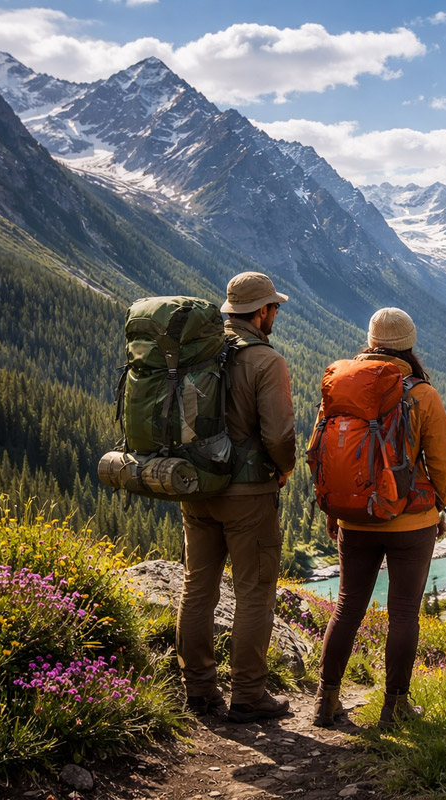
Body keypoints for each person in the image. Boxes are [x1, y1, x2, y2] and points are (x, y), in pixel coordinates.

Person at [311, 308, 446, 729]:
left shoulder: (341, 385)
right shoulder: (422, 393)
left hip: (354, 517)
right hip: (411, 522)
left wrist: (336, 507)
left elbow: (323, 451)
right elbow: (442, 461)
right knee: (404, 613)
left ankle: (325, 702)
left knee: (347, 608)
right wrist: (436, 505)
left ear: (370, 340)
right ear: (409, 344)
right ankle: (395, 709)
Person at [177, 271, 296, 723]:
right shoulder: (266, 360)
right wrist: (284, 469)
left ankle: (199, 690)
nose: (276, 313)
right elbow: (278, 435)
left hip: (196, 487)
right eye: (274, 307)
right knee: (254, 593)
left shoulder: (199, 351)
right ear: (261, 311)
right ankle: (248, 695)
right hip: (248, 495)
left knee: (197, 587)